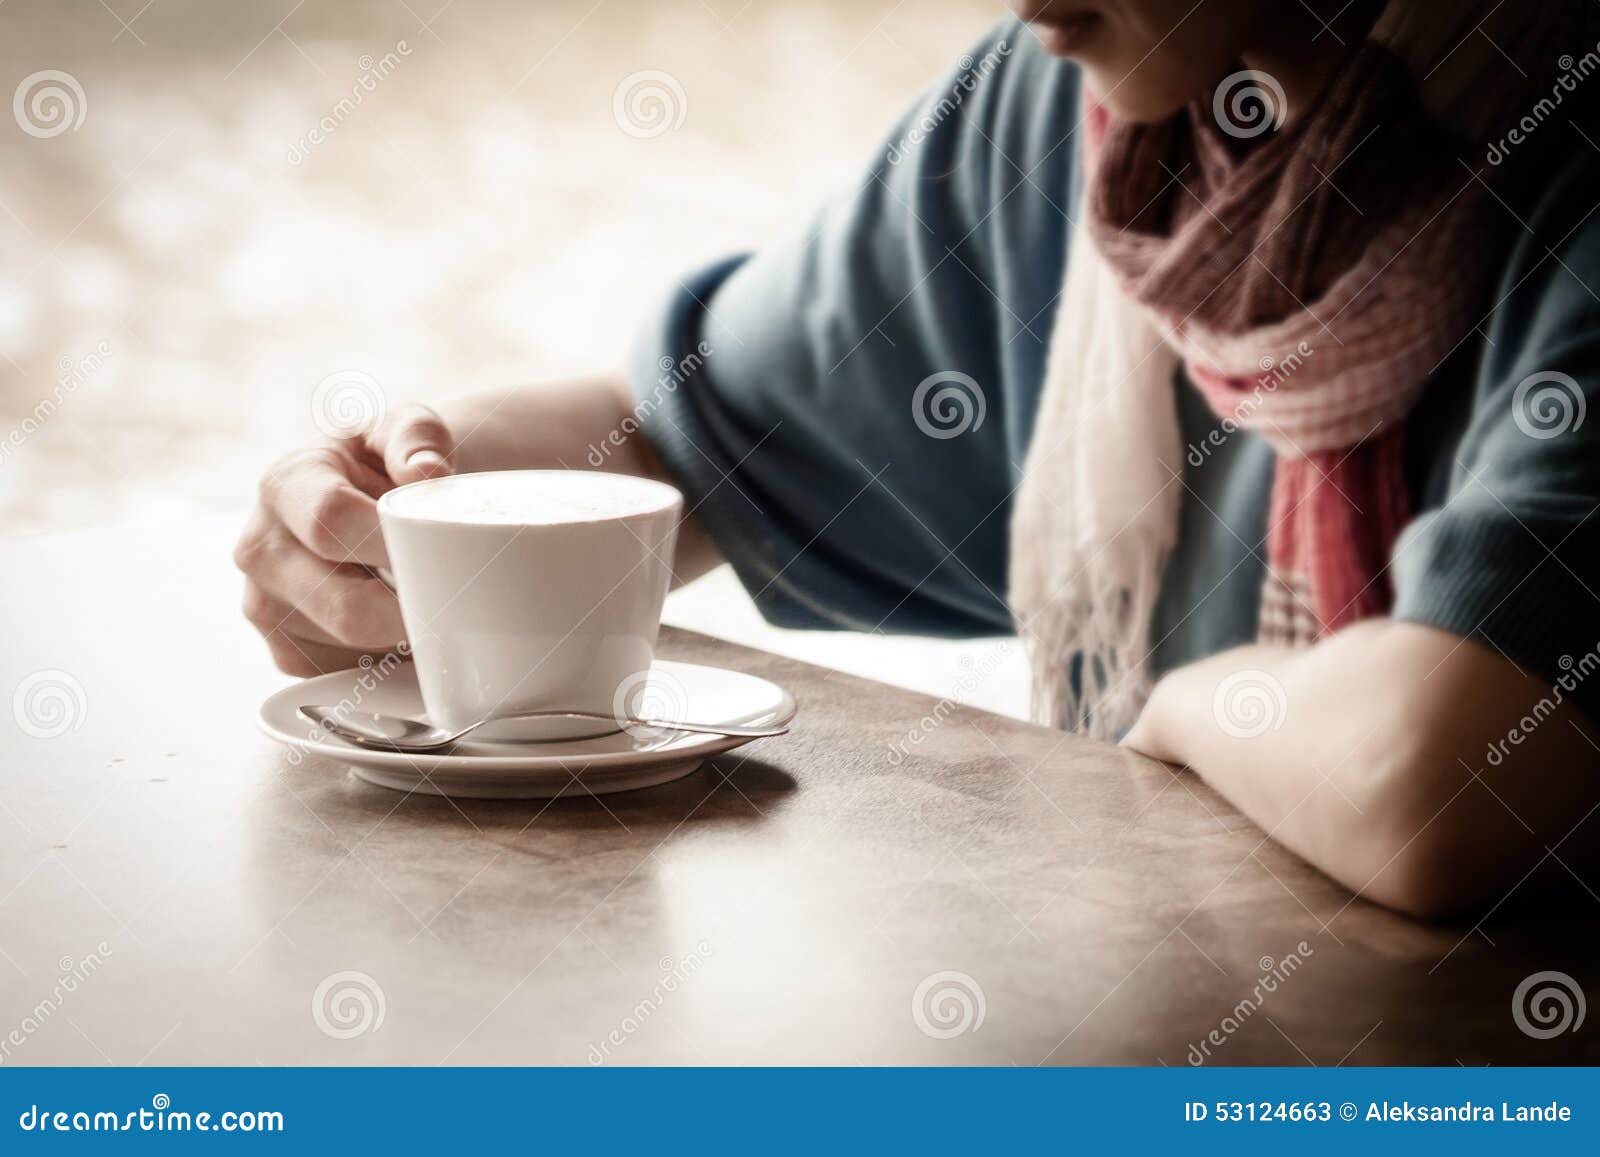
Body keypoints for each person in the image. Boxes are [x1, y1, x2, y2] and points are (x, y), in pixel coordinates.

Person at [235, 0, 1600, 918]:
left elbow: (1448, 775)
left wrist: (1188, 712)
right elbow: (676, 434)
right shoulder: (1076, 101)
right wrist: (409, 496)